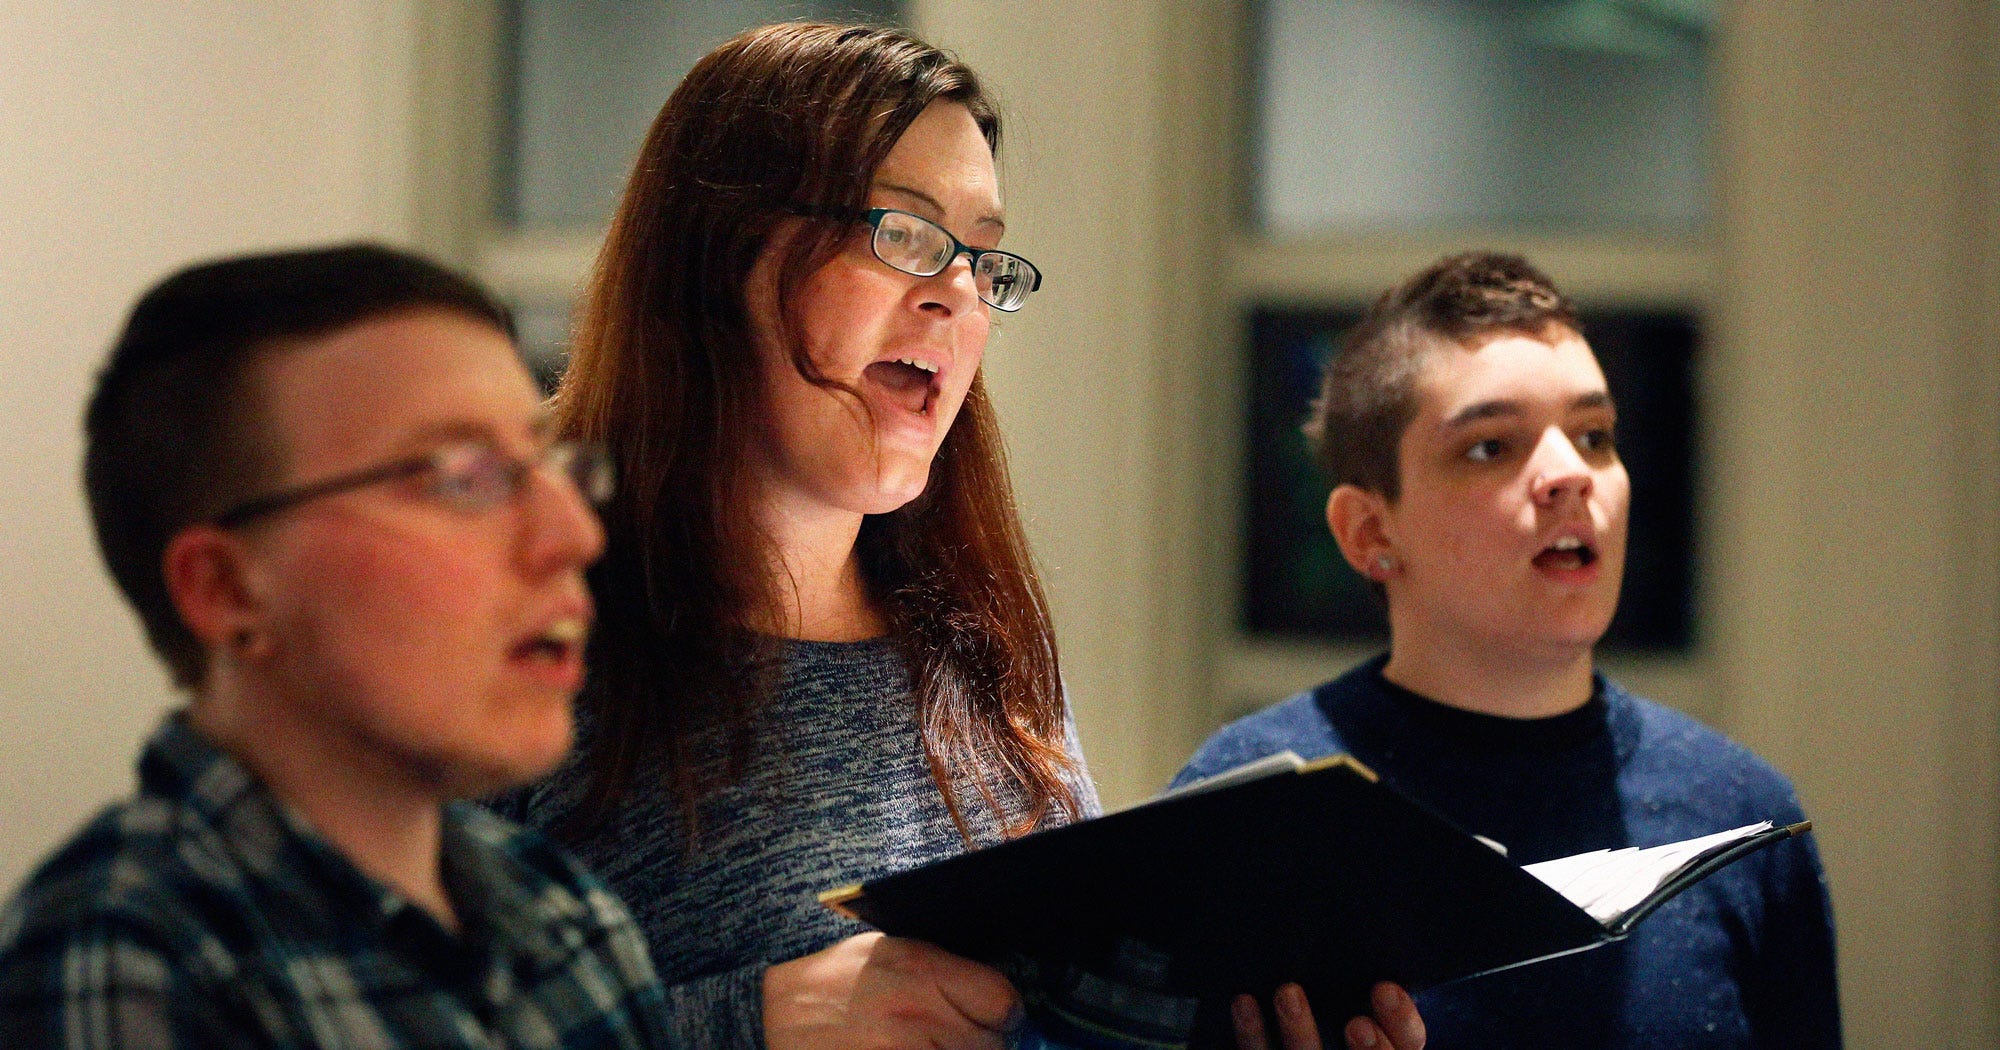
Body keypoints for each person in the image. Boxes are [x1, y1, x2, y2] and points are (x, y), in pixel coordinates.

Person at [499, 21, 1423, 1050]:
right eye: (902, 232)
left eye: (983, 257)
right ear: (716, 257)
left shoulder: (981, 646)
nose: (954, 292)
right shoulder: (522, 632)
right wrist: (752, 1025)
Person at [0, 244, 668, 1048]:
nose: (573, 533)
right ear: (228, 590)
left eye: (551, 464)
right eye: (463, 475)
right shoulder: (136, 957)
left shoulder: (567, 915)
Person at [1174, 251, 1842, 1048]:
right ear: (1370, 532)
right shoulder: (1241, 811)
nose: (1569, 473)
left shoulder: (1742, 817)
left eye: (1594, 435)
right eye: (1491, 446)